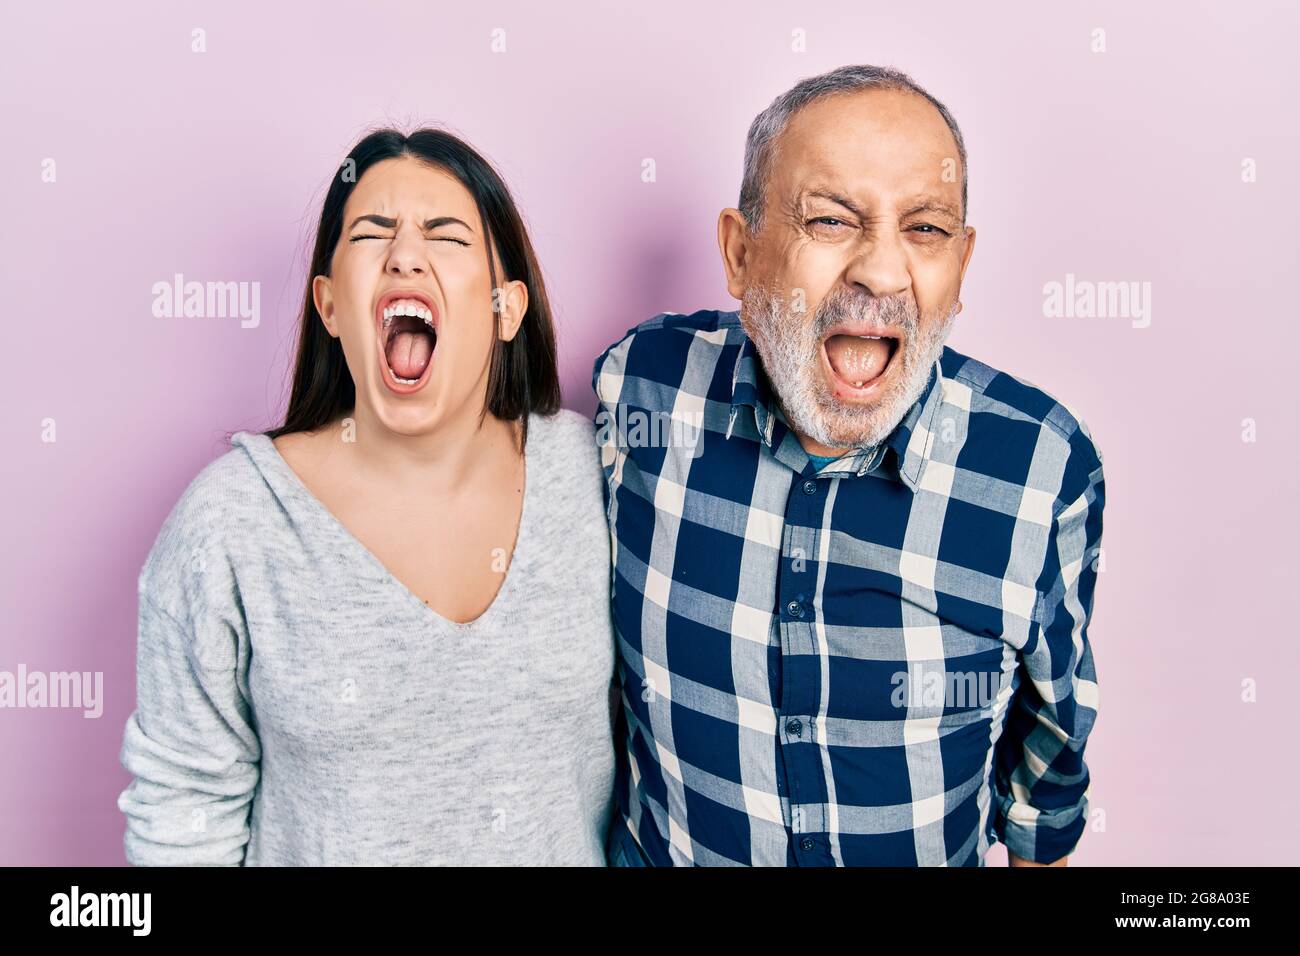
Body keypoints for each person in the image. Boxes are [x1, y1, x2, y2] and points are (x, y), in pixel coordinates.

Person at [594, 65, 1105, 866]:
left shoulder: (1041, 469)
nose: (880, 271)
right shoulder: (643, 392)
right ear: (739, 254)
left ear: (961, 268)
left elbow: (1047, 780)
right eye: (831, 221)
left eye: (926, 230)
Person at [117, 127, 615, 865]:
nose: (404, 253)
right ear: (329, 305)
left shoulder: (594, 476)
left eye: (445, 236)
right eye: (372, 232)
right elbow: (182, 814)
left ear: (506, 308)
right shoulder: (231, 525)